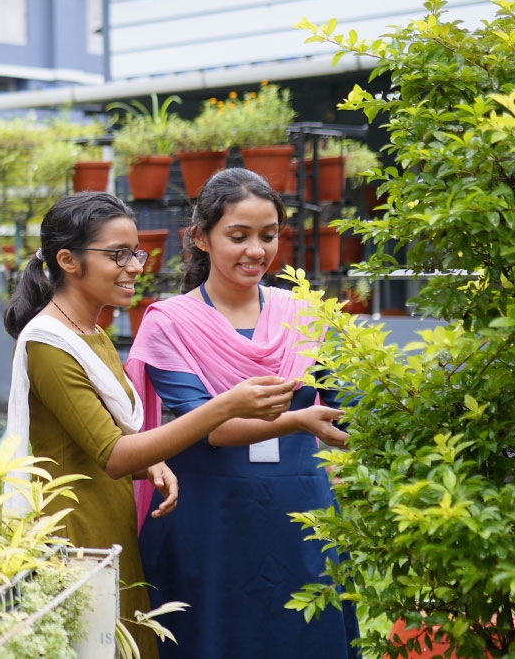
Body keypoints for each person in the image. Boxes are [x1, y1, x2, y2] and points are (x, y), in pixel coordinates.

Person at [1, 192, 298, 659]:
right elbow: (115, 455)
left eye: (136, 252)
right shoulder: (49, 344)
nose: (136, 266)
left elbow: (110, 438)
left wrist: (152, 461)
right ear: (68, 261)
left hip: (109, 525)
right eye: (117, 255)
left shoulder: (90, 332)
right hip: (75, 535)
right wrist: (225, 406)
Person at [125, 168, 361, 659]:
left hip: (301, 514)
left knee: (305, 636)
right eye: (239, 236)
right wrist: (297, 419)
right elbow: (207, 426)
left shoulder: (307, 315)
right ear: (200, 238)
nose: (257, 250)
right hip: (209, 521)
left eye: (269, 236)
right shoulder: (172, 324)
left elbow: (348, 404)